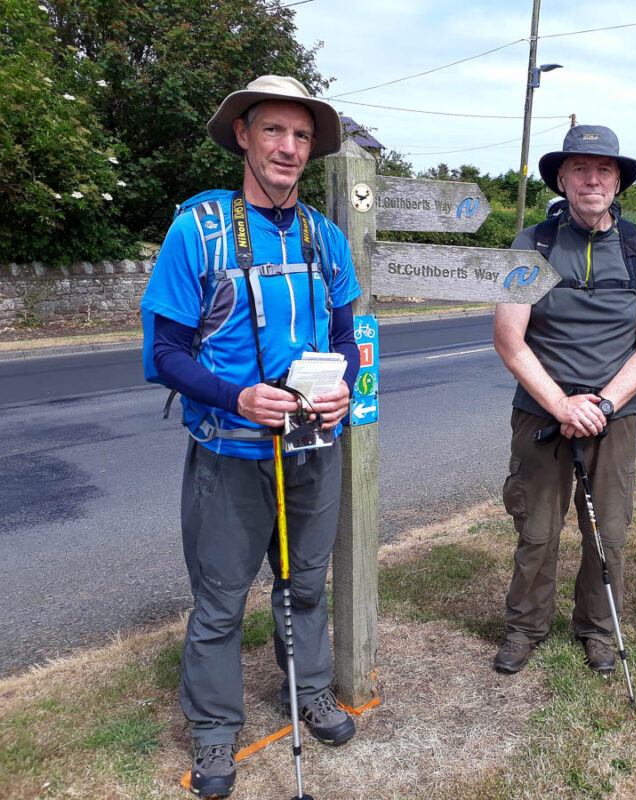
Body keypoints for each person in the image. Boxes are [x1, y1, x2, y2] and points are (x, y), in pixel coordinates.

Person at [141, 75, 361, 798]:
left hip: (311, 451)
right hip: (228, 453)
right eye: (274, 131)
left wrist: (339, 393)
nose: (288, 148)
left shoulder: (323, 237)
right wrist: (236, 395)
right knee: (220, 602)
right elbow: (163, 353)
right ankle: (212, 733)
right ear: (243, 134)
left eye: (301, 136)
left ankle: (312, 691)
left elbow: (346, 337)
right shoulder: (198, 228)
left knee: (306, 586)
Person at [492, 125, 636, 676]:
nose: (592, 179)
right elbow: (509, 337)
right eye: (579, 169)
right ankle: (525, 627)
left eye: (603, 170)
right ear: (563, 179)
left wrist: (604, 405)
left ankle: (596, 628)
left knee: (608, 530)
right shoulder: (533, 244)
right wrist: (562, 405)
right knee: (538, 528)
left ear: (618, 181)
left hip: (615, 415)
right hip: (542, 410)